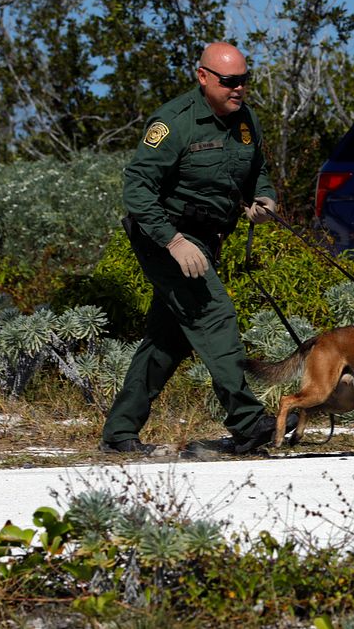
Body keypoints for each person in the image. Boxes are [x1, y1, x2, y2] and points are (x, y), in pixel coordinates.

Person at [100, 42, 297, 455]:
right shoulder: (173, 123)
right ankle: (247, 422)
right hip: (164, 238)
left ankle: (119, 434)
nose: (239, 88)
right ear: (203, 77)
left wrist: (264, 201)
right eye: (229, 81)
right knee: (214, 315)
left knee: (167, 339)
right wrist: (174, 242)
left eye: (244, 80)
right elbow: (137, 191)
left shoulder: (246, 122)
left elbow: (256, 171)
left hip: (207, 240)